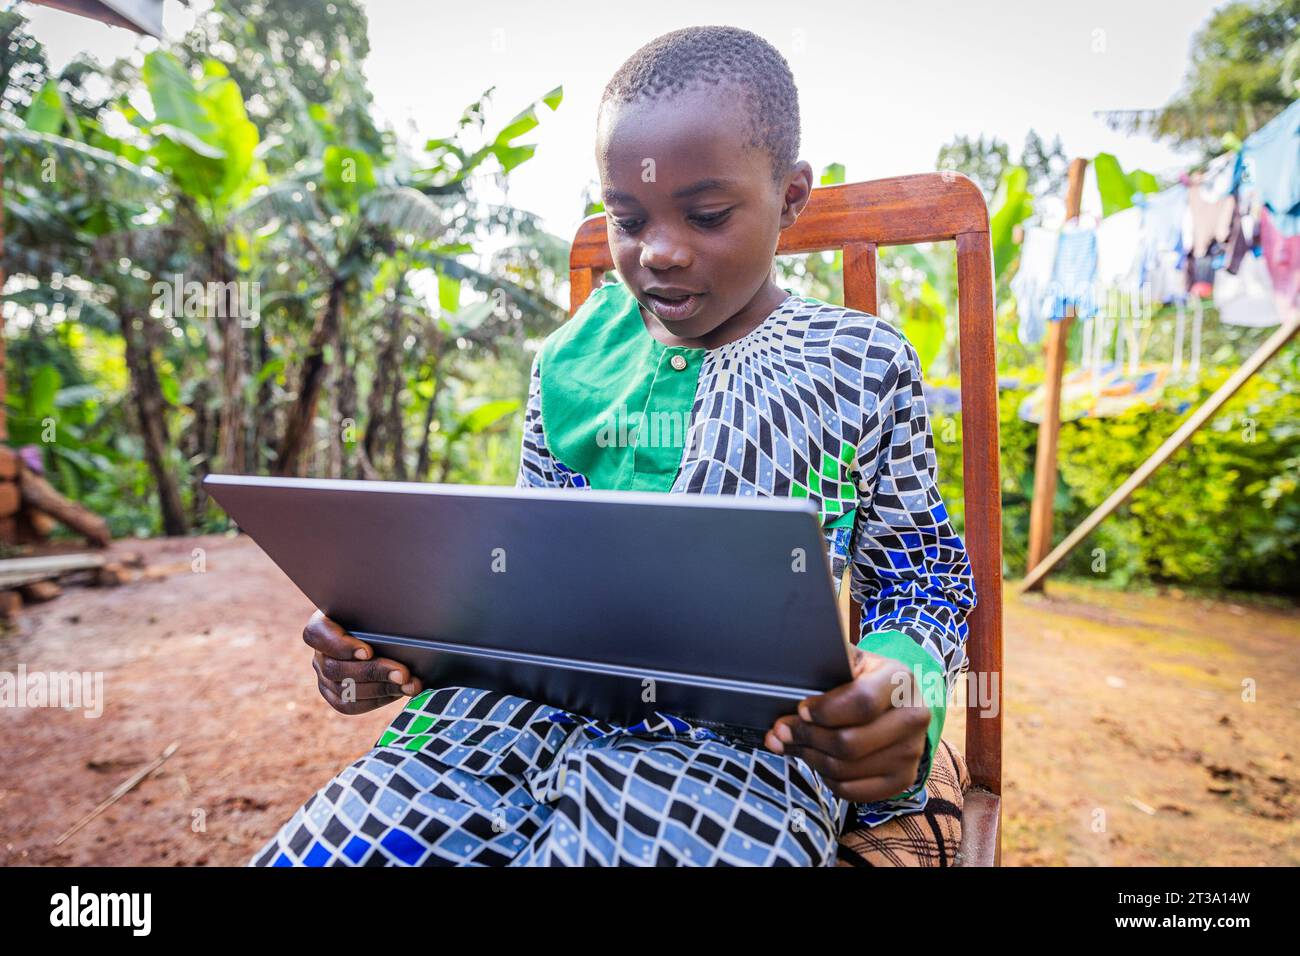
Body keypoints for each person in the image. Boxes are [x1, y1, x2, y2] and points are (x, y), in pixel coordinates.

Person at [253, 24, 976, 868]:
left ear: (789, 196)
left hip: (742, 752)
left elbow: (921, 571)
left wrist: (899, 683)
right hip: (499, 724)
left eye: (706, 215)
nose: (659, 252)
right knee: (345, 844)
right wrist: (382, 640)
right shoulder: (569, 361)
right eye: (627, 219)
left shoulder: (862, 363)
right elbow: (517, 571)